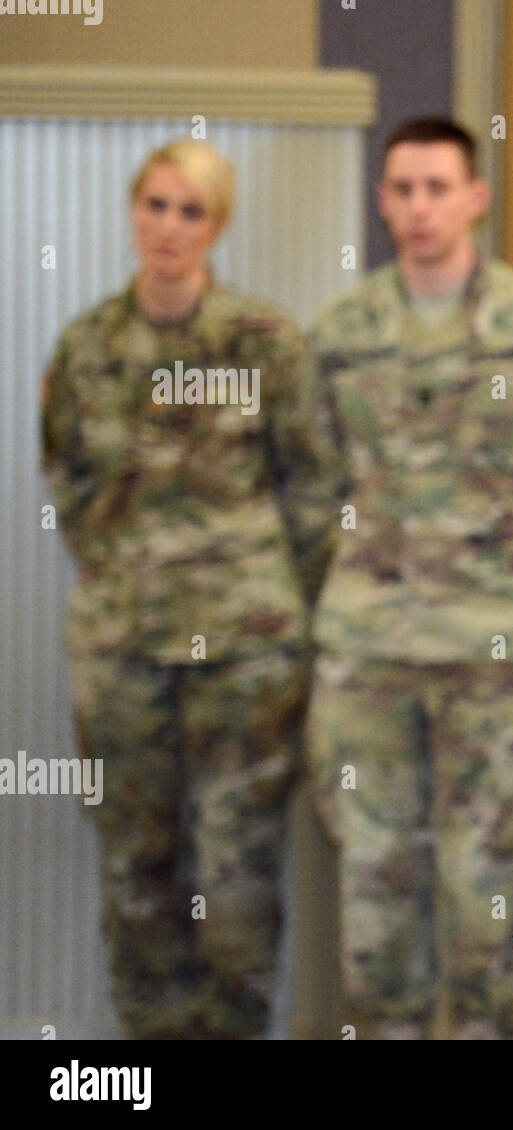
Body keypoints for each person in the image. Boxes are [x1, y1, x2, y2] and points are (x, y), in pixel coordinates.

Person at [306, 117, 513, 1039]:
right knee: (376, 894)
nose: (419, 206)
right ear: (383, 200)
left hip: (495, 652)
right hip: (368, 653)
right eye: (402, 188)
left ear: (475, 197)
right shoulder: (343, 331)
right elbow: (311, 484)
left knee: (490, 890)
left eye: (438, 187)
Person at [41, 139, 338, 1038]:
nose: (170, 227)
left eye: (192, 211)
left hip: (245, 658)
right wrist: (134, 569)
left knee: (236, 871)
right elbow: (69, 480)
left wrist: (267, 595)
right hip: (124, 652)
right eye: (158, 205)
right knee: (137, 866)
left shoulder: (267, 343)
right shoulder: (88, 347)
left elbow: (315, 490)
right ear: (135, 211)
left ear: (217, 226)